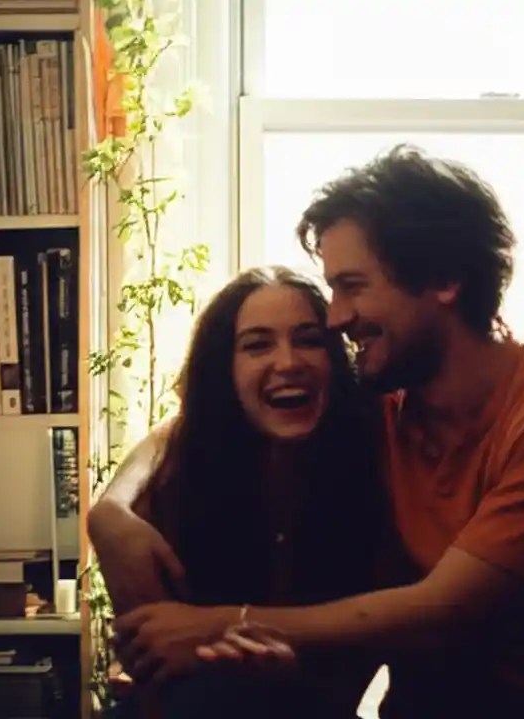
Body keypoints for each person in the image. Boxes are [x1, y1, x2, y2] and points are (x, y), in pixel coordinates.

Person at [108, 145, 524, 718]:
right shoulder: (386, 406)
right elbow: (208, 412)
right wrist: (113, 509)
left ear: (444, 279)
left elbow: (443, 610)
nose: (335, 318)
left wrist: (219, 625)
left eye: (353, 286)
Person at [88, 266, 392, 719]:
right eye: (257, 344)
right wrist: (109, 511)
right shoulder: (175, 478)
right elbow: (156, 683)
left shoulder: (377, 465)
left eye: (308, 339)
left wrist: (287, 677)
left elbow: (354, 679)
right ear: (224, 370)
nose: (288, 362)